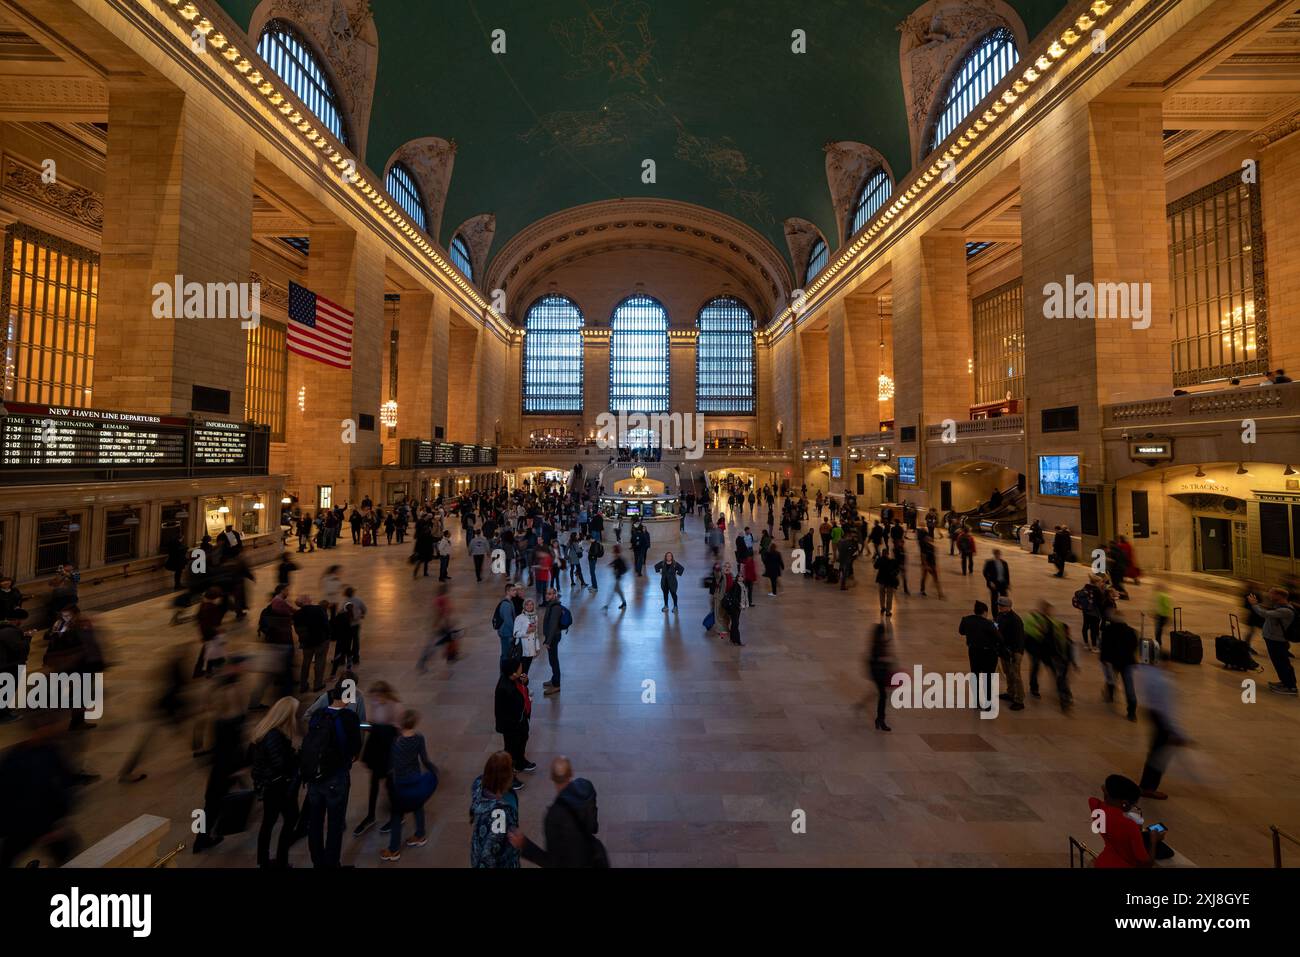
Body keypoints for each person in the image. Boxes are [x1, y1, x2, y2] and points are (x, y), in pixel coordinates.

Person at [301, 683, 362, 867]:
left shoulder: (319, 714)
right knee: (335, 825)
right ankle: (331, 863)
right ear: (347, 698)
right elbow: (355, 748)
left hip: (314, 777)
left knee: (315, 822)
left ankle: (317, 862)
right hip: (336, 777)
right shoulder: (349, 717)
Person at [508, 756, 607, 867]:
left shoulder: (554, 815)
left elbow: (553, 863)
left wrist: (525, 845)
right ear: (571, 773)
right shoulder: (586, 787)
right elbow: (593, 827)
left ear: (552, 778)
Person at [381, 709, 438, 862]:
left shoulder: (396, 742)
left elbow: (392, 765)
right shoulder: (419, 738)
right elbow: (425, 759)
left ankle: (393, 850)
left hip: (400, 783)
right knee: (418, 806)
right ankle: (420, 835)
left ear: (401, 724)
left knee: (396, 815)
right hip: (416, 779)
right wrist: (433, 771)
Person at [250, 696, 301, 868]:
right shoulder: (274, 735)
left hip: (271, 785)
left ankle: (265, 861)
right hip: (277, 786)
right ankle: (281, 861)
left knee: (269, 823)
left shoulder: (269, 731)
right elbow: (281, 764)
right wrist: (296, 758)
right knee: (290, 819)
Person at [353, 681, 401, 836]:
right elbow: (373, 722)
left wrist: (376, 728)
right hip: (376, 748)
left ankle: (398, 814)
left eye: (377, 696)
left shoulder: (395, 706)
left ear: (384, 694)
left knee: (389, 783)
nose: (374, 700)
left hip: (387, 749)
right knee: (374, 782)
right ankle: (371, 815)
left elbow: (397, 730)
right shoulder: (375, 703)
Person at [1088, 775, 1161, 867]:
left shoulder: (1095, 806)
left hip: (1102, 862)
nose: (1133, 808)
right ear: (1125, 804)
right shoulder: (1130, 826)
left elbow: (1101, 792)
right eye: (1133, 805)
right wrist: (1154, 840)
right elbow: (1147, 863)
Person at [470, 751, 520, 868]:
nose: (514, 772)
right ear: (506, 778)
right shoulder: (499, 815)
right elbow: (490, 854)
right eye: (511, 769)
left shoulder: (479, 785)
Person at [1247, 587, 1297, 695]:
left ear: (1279, 596)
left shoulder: (1285, 610)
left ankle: (1291, 687)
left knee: (1283, 664)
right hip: (1272, 639)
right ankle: (1284, 682)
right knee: (1278, 663)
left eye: (1271, 594)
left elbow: (1264, 614)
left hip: (1278, 641)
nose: (1269, 597)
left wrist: (1254, 604)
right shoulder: (1279, 607)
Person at [495, 658, 534, 789]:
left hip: (520, 720)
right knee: (510, 748)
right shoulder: (505, 688)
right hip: (511, 725)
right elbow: (507, 710)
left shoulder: (513, 679)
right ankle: (509, 777)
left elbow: (522, 687)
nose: (521, 669)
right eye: (519, 668)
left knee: (523, 739)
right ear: (513, 672)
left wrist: (525, 681)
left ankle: (520, 762)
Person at [958, 601, 1000, 711]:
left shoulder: (966, 620)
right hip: (988, 653)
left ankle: (976, 701)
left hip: (973, 651)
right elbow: (999, 638)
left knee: (975, 675)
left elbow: (961, 631)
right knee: (988, 678)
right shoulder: (988, 624)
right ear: (985, 612)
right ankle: (988, 703)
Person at [1100, 609, 1139, 721]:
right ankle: (1131, 712)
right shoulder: (1131, 631)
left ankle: (1110, 695)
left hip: (1112, 662)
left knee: (1111, 679)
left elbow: (1104, 647)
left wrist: (1103, 660)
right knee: (1129, 687)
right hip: (1127, 663)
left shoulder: (1107, 631)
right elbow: (1134, 647)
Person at [862, 623, 895, 732]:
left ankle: (880, 720)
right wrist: (884, 659)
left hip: (880, 674)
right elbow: (875, 660)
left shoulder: (879, 643)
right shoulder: (876, 646)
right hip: (879, 674)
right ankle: (880, 720)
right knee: (883, 696)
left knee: (882, 696)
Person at [994, 596, 1025, 711]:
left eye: (1001, 606)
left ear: (1007, 607)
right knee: (1008, 672)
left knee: (1016, 676)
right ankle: (1011, 692)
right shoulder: (1001, 616)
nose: (999, 607)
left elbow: (1019, 639)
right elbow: (997, 628)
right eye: (998, 605)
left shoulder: (1015, 620)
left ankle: (1019, 700)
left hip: (1014, 652)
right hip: (1004, 651)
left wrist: (1014, 653)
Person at [540, 588, 569, 696]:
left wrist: (548, 641)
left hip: (553, 637)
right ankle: (554, 679)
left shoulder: (555, 607)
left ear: (555, 595)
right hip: (552, 636)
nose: (548, 595)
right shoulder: (551, 604)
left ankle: (556, 685)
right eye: (547, 593)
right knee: (552, 660)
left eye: (550, 594)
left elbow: (553, 626)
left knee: (554, 661)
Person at [513, 597, 542, 675]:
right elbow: (515, 634)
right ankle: (520, 686)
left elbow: (536, 633)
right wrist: (526, 631)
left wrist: (537, 647)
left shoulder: (535, 617)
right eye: (527, 605)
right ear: (524, 606)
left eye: (531, 604)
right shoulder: (519, 618)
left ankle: (524, 686)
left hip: (531, 647)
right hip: (523, 648)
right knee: (521, 670)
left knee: (526, 670)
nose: (529, 606)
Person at [494, 583, 519, 664]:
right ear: (507, 592)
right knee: (506, 655)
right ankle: (504, 674)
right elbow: (508, 621)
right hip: (506, 632)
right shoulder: (506, 604)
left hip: (506, 632)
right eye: (513, 590)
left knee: (506, 654)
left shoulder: (509, 601)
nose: (515, 592)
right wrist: (514, 632)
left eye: (515, 590)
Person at [874, 546, 900, 618]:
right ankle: (888, 611)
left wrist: (878, 560)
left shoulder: (880, 560)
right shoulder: (891, 561)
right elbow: (897, 569)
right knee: (889, 596)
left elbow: (875, 567)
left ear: (882, 553)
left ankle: (882, 607)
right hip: (889, 581)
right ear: (888, 554)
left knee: (881, 594)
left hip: (881, 580)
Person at [722, 573, 744, 646]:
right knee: (736, 624)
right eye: (739, 577)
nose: (741, 578)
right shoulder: (737, 586)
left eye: (742, 577)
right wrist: (739, 605)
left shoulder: (740, 585)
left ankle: (732, 639)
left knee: (734, 623)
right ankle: (737, 641)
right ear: (737, 578)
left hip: (735, 607)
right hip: (735, 608)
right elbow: (735, 598)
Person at [607, 544, 628, 611]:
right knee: (619, 591)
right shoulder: (618, 558)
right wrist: (611, 564)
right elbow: (615, 563)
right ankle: (624, 603)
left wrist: (617, 571)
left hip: (618, 577)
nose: (613, 553)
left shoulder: (619, 559)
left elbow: (623, 568)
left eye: (614, 551)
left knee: (613, 592)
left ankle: (607, 605)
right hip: (617, 577)